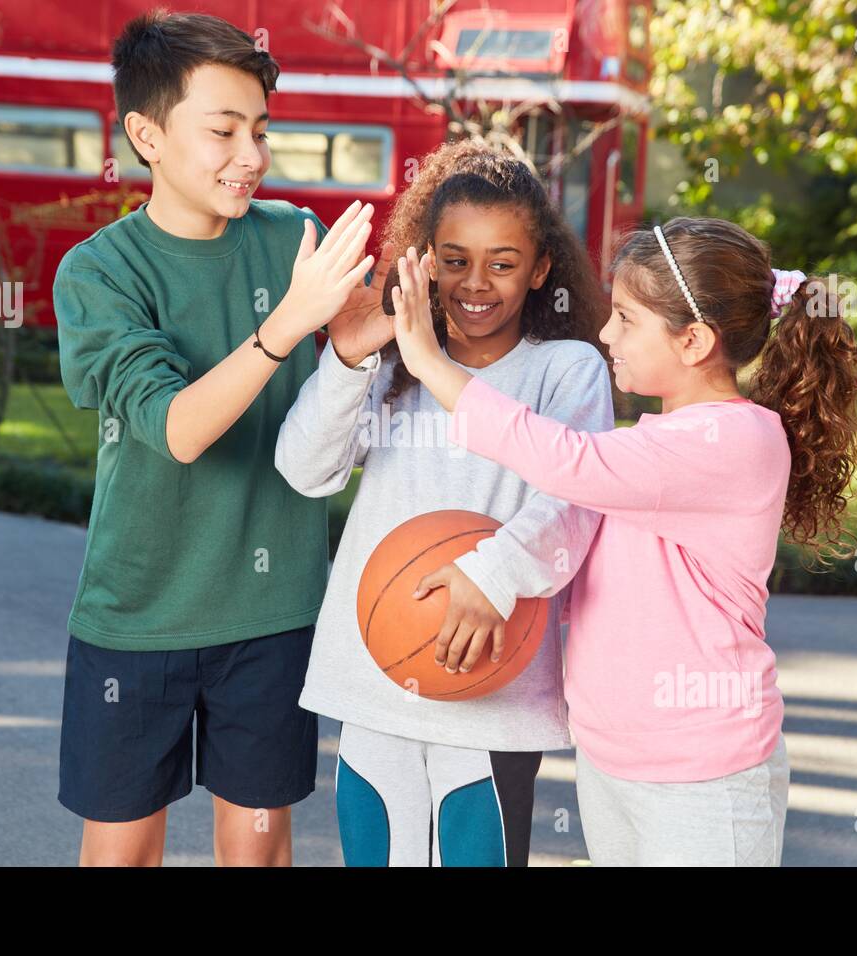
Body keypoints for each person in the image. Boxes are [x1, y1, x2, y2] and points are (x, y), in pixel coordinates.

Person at [389, 216, 857, 865]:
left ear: (695, 339)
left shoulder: (733, 441)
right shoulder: (660, 441)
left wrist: (428, 362)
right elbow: (569, 506)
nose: (604, 332)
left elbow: (564, 462)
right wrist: (494, 573)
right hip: (614, 759)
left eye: (625, 317)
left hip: (704, 774)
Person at [53, 10, 386, 866]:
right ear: (147, 135)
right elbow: (175, 428)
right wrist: (288, 324)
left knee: (259, 852)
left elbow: (352, 391)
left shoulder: (294, 240)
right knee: (121, 854)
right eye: (224, 130)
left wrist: (354, 343)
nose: (253, 155)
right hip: (138, 613)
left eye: (263, 130)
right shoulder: (98, 272)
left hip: (272, 614)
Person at [276, 141, 615, 866]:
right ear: (424, 259)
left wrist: (492, 575)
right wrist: (344, 358)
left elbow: (576, 502)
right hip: (375, 677)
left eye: (503, 261)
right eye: (455, 259)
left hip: (492, 685)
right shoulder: (393, 360)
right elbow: (305, 471)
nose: (476, 283)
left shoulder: (565, 368)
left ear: (541, 267)